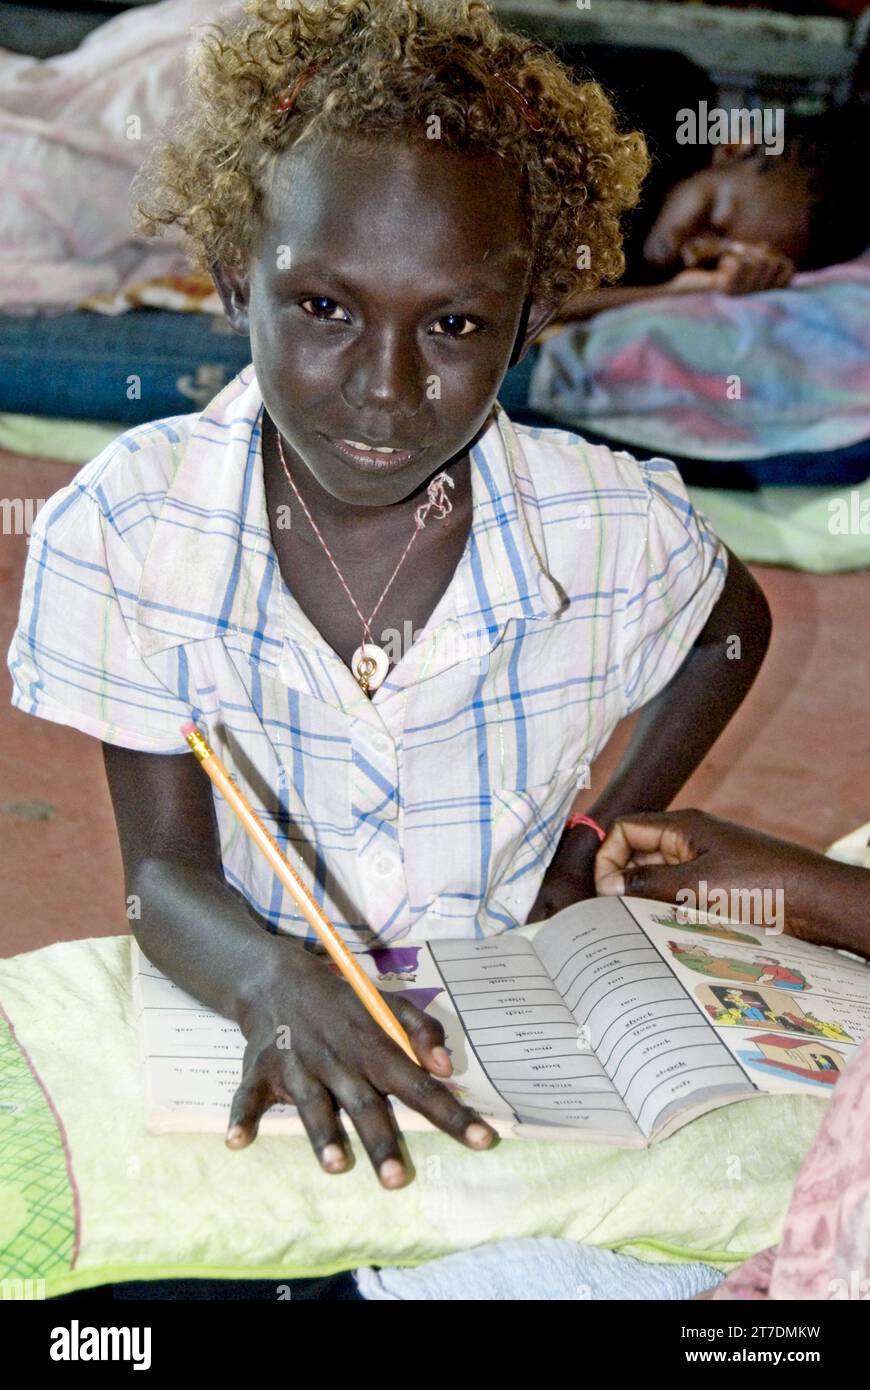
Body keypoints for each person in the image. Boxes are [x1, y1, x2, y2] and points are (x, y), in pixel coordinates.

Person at [7, 0, 770, 1190]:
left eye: (455, 325)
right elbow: (164, 883)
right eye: (324, 309)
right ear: (226, 279)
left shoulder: (603, 525)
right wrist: (268, 978)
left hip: (522, 1054)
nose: (385, 387)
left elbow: (732, 618)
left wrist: (590, 836)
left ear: (530, 319)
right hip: (246, 1008)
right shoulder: (128, 532)